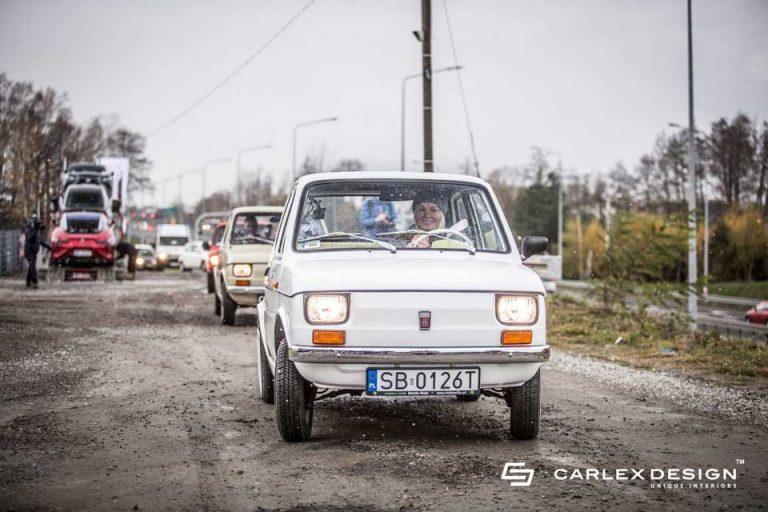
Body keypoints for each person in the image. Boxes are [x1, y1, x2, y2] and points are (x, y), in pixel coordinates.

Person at [23, 216, 51, 289]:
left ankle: (28, 282)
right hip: (29, 251)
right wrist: (35, 229)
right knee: (32, 266)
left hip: (34, 251)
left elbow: (40, 241)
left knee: (31, 266)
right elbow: (30, 238)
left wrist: (48, 247)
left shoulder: (37, 231)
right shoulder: (28, 229)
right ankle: (34, 282)